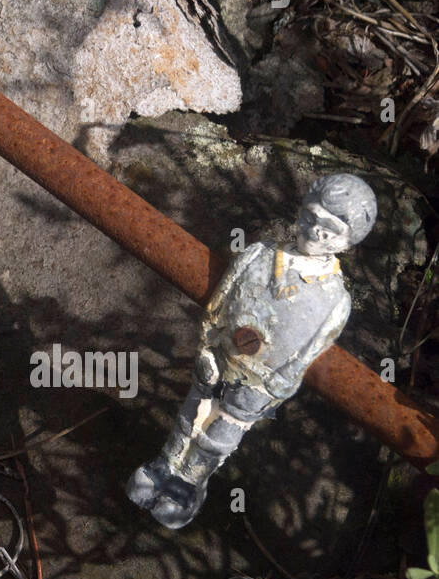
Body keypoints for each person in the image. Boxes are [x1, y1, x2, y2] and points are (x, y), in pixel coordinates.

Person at [128, 173, 377, 529]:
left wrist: (273, 392)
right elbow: (220, 302)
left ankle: (189, 481)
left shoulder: (336, 300)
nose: (315, 231)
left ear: (349, 241)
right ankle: (166, 462)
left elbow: (305, 355)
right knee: (193, 411)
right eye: (310, 216)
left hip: (258, 387)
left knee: (221, 434)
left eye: (330, 228)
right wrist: (208, 343)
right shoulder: (258, 255)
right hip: (219, 356)